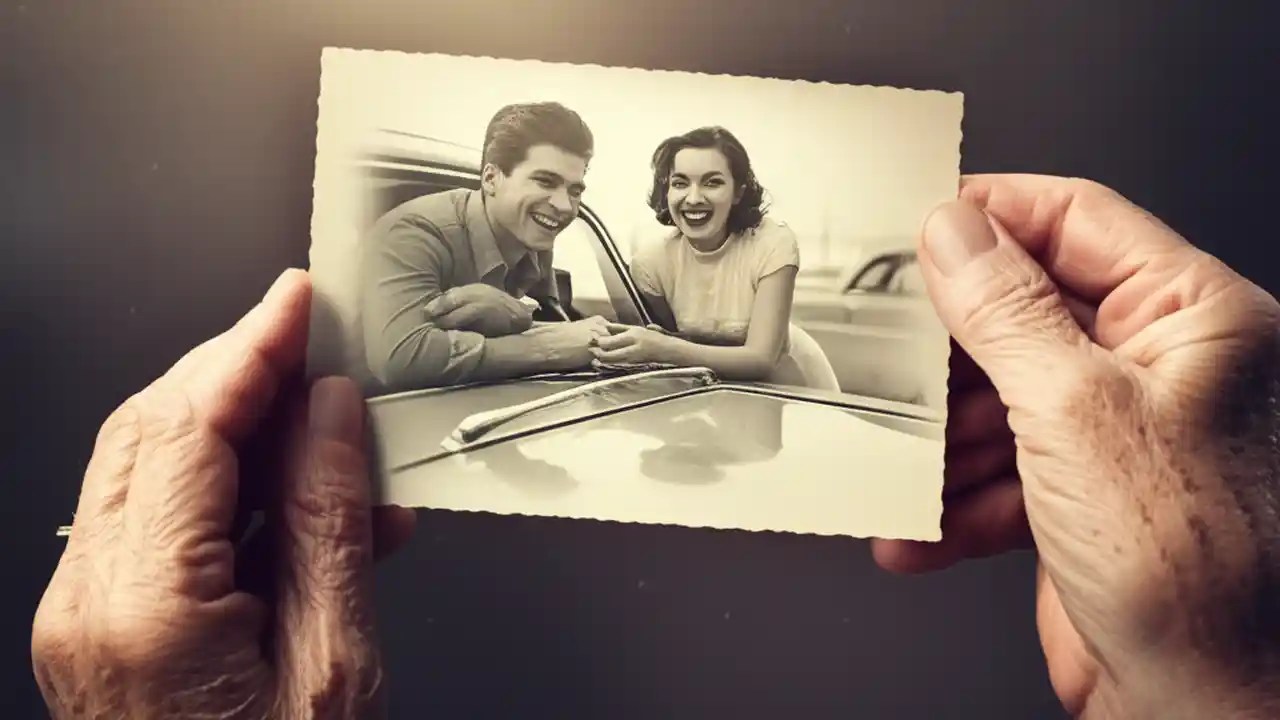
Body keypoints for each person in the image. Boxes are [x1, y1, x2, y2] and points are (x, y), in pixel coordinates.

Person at [30, 174, 1280, 718]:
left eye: (706, 183)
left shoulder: (762, 252)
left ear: (738, 192)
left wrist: (1216, 685)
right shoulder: (611, 254)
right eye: (670, 185)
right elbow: (617, 335)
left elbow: (746, 362)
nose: (686, 201)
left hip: (801, 415)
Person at [359, 101, 612, 392]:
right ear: (491, 178)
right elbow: (402, 358)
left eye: (574, 190)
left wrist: (517, 316)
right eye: (545, 181)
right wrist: (546, 348)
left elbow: (545, 314)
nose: (564, 205)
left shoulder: (533, 236)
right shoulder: (416, 230)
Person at [592, 126, 840, 391]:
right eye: (680, 183)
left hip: (792, 388)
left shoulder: (772, 242)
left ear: (738, 192)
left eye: (713, 182)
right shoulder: (650, 262)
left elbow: (761, 359)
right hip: (711, 391)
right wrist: (660, 347)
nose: (694, 198)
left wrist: (663, 349)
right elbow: (666, 346)